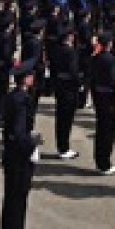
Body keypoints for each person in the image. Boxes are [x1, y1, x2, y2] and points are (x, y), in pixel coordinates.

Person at [1, 60, 39, 229]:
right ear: (25, 79)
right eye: (30, 75)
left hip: (9, 150)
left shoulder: (10, 96)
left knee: (10, 196)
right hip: (19, 155)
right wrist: (32, 146)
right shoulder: (22, 100)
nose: (33, 78)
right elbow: (19, 132)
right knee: (18, 197)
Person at [90, 30, 115, 175]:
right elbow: (113, 82)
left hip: (98, 97)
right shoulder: (110, 59)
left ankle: (100, 160)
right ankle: (105, 163)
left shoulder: (95, 58)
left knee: (101, 130)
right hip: (108, 99)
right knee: (108, 133)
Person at [50, 26, 81, 160]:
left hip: (59, 87)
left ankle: (61, 146)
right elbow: (73, 73)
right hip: (69, 90)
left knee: (60, 119)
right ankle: (64, 148)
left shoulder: (56, 50)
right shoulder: (70, 52)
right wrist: (79, 85)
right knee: (66, 120)